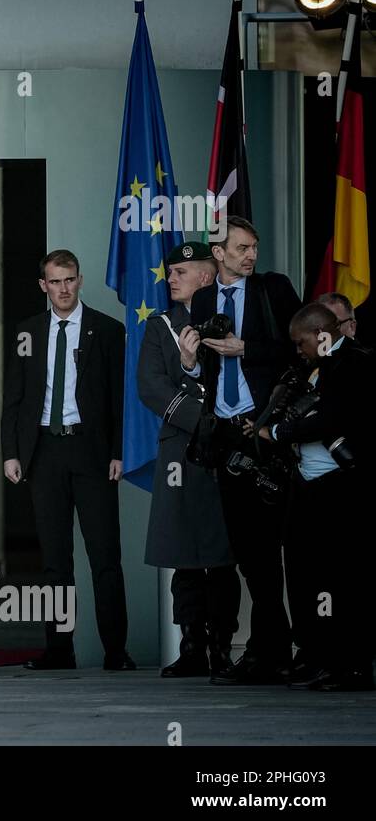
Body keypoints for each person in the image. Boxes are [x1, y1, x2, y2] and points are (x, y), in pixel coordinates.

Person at [1, 249, 133, 671]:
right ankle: (59, 650)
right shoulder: (27, 332)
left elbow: (120, 401)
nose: (63, 288)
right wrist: (11, 453)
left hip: (91, 452)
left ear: (80, 280)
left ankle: (116, 651)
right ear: (44, 285)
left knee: (105, 557)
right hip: (43, 453)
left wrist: (119, 452)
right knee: (55, 561)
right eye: (55, 281)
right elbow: (13, 400)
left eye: (70, 279)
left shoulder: (108, 330)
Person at [186, 216, 302, 685]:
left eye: (253, 247)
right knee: (249, 551)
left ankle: (283, 648)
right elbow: (202, 378)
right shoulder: (203, 300)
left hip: (269, 432)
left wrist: (244, 349)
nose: (250, 255)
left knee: (282, 546)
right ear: (218, 253)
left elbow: (301, 351)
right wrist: (192, 363)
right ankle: (267, 648)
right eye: (240, 248)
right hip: (229, 436)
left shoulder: (274, 289)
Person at [254, 304, 374, 691]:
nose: (297, 349)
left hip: (342, 488)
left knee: (345, 578)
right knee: (305, 574)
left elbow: (331, 418)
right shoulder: (307, 369)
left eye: (300, 341)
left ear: (321, 334)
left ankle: (350, 665)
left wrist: (281, 432)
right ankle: (318, 655)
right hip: (304, 486)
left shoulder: (354, 363)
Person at [136, 242, 238, 678]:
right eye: (170, 271)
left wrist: (223, 428)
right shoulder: (162, 326)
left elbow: (237, 380)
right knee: (185, 554)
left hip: (225, 450)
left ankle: (221, 648)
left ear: (206, 275)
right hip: (183, 448)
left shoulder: (226, 321)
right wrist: (207, 419)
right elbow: (151, 387)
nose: (171, 278)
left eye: (180, 271)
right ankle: (193, 646)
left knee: (222, 553)